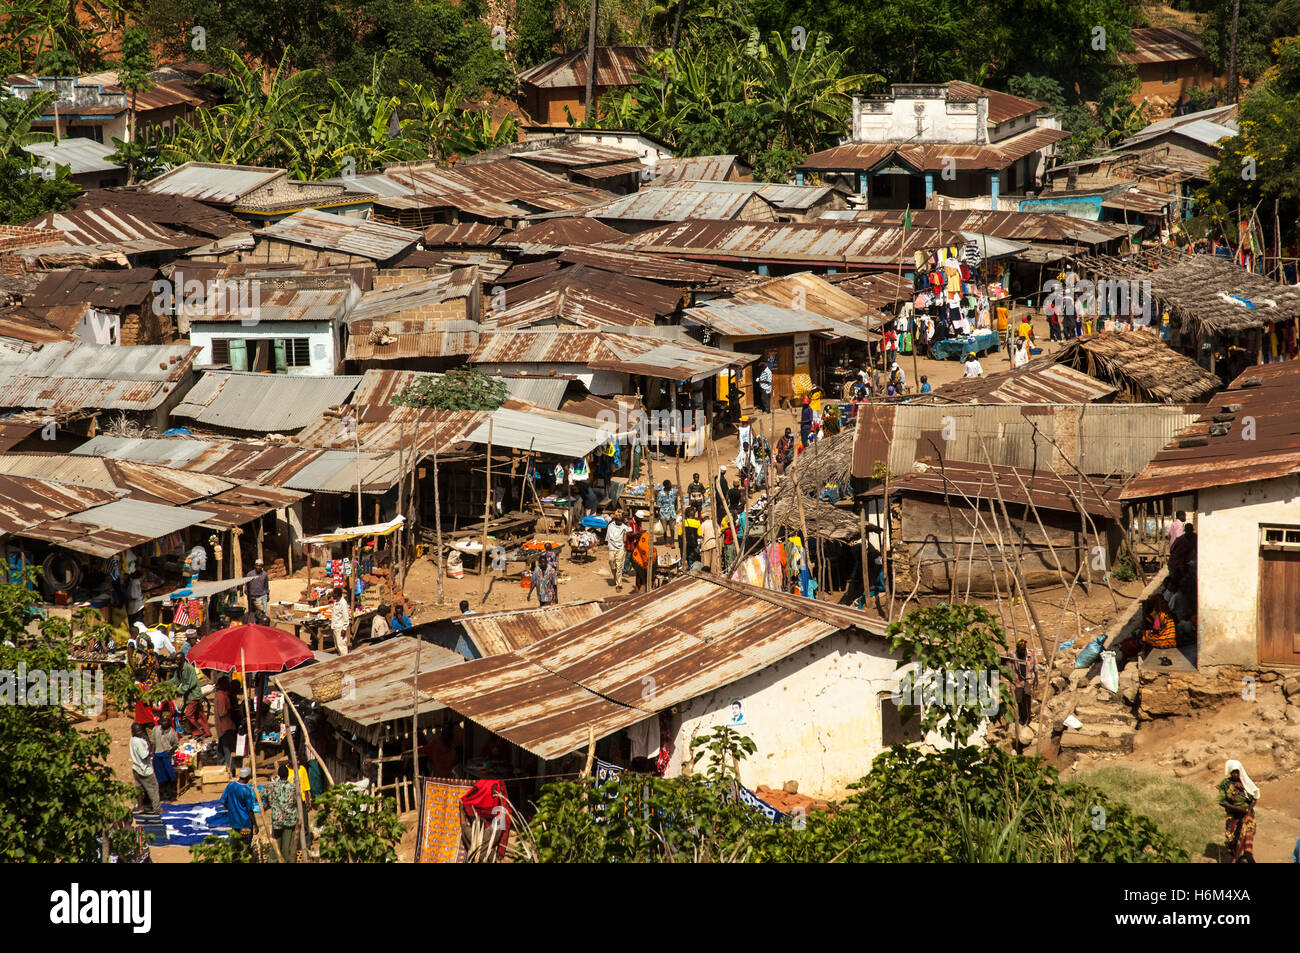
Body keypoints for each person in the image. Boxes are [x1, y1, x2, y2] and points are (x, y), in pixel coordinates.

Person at [1219, 760, 1258, 863]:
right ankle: (1236, 857)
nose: (1236, 774)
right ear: (1230, 772)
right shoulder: (1225, 784)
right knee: (1230, 840)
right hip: (1232, 814)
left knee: (1246, 835)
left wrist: (1248, 809)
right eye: (1233, 772)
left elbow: (1254, 797)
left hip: (1247, 815)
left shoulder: (1245, 782)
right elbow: (1221, 801)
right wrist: (1236, 808)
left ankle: (1246, 858)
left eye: (1237, 772)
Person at [220, 766, 258, 851]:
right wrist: (255, 824)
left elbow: (223, 801)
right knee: (245, 846)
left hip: (234, 822)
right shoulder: (246, 791)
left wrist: (231, 810)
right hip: (245, 824)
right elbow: (249, 810)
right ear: (248, 777)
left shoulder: (230, 785)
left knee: (235, 846)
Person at [268, 763, 300, 863]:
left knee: (275, 844)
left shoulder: (271, 786)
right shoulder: (293, 787)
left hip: (277, 819)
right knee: (287, 846)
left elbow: (262, 795)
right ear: (287, 775)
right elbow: (297, 801)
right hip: (289, 819)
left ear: (278, 775)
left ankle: (273, 860)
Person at [175, 651, 207, 738]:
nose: (176, 662)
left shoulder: (189, 668)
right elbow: (175, 680)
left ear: (182, 659)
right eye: (176, 660)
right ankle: (207, 732)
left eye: (178, 660)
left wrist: (180, 690)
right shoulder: (179, 669)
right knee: (199, 714)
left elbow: (191, 683)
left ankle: (198, 731)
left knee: (189, 714)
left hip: (193, 695)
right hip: (188, 695)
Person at [130, 722, 160, 814]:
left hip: (136, 768)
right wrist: (151, 747)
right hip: (145, 769)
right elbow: (144, 755)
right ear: (133, 732)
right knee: (153, 788)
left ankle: (140, 806)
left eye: (140, 730)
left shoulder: (132, 739)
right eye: (138, 731)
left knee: (139, 789)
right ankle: (157, 809)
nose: (140, 732)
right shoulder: (139, 742)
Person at [214, 675, 239, 775]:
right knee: (228, 750)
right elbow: (222, 713)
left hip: (224, 727)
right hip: (226, 727)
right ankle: (231, 770)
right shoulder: (222, 696)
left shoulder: (221, 695)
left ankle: (221, 768)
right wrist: (232, 709)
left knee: (222, 749)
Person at [152, 710, 179, 801]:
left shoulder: (172, 732)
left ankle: (171, 795)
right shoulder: (156, 730)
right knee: (160, 776)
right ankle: (162, 795)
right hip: (157, 756)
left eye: (166, 721)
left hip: (167, 756)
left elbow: (176, 744)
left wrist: (171, 751)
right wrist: (152, 753)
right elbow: (153, 742)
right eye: (163, 720)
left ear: (169, 722)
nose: (164, 722)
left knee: (170, 775)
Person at [605, 511, 629, 591]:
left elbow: (630, 530)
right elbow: (608, 536)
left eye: (620, 520)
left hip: (620, 548)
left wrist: (627, 522)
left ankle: (619, 585)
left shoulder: (624, 527)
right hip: (612, 548)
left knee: (619, 567)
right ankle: (616, 578)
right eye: (617, 519)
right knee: (612, 563)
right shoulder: (611, 525)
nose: (618, 521)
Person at [330, 586, 350, 656]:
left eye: (334, 594)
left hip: (340, 628)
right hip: (335, 627)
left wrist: (344, 629)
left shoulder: (343, 603)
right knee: (337, 646)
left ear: (337, 595)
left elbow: (346, 617)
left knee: (342, 647)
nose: (332, 595)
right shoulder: (336, 603)